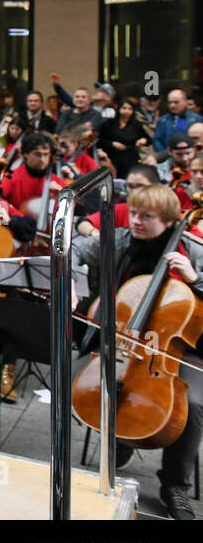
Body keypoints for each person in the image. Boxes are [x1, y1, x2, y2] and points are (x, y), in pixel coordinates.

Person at [70, 183, 203, 519]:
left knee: (194, 405)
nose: (136, 222)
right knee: (82, 382)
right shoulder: (119, 239)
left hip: (177, 348)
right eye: (134, 213)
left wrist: (195, 279)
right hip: (122, 342)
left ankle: (175, 486)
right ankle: (116, 449)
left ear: (171, 221)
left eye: (147, 216)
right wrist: (69, 282)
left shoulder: (196, 251)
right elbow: (69, 250)